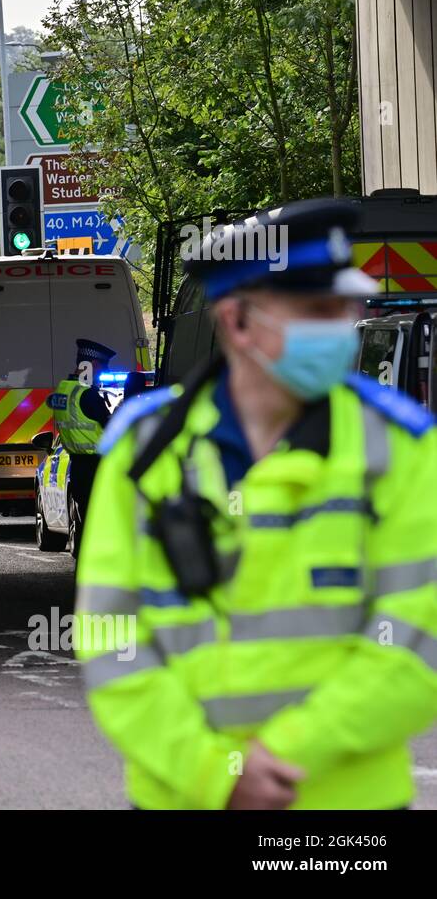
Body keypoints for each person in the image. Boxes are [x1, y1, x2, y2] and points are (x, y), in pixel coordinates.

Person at [75, 198, 437, 810]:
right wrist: (214, 774)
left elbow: (417, 639)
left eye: (344, 308)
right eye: (316, 312)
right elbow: (111, 635)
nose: (341, 327)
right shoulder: (145, 451)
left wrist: (284, 757)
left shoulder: (399, 448)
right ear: (238, 322)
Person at [47, 338, 115, 556]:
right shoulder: (87, 394)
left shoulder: (64, 390)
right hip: (96, 467)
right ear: (93, 365)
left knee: (86, 520)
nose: (105, 371)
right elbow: (112, 428)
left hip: (77, 466)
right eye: (104, 367)